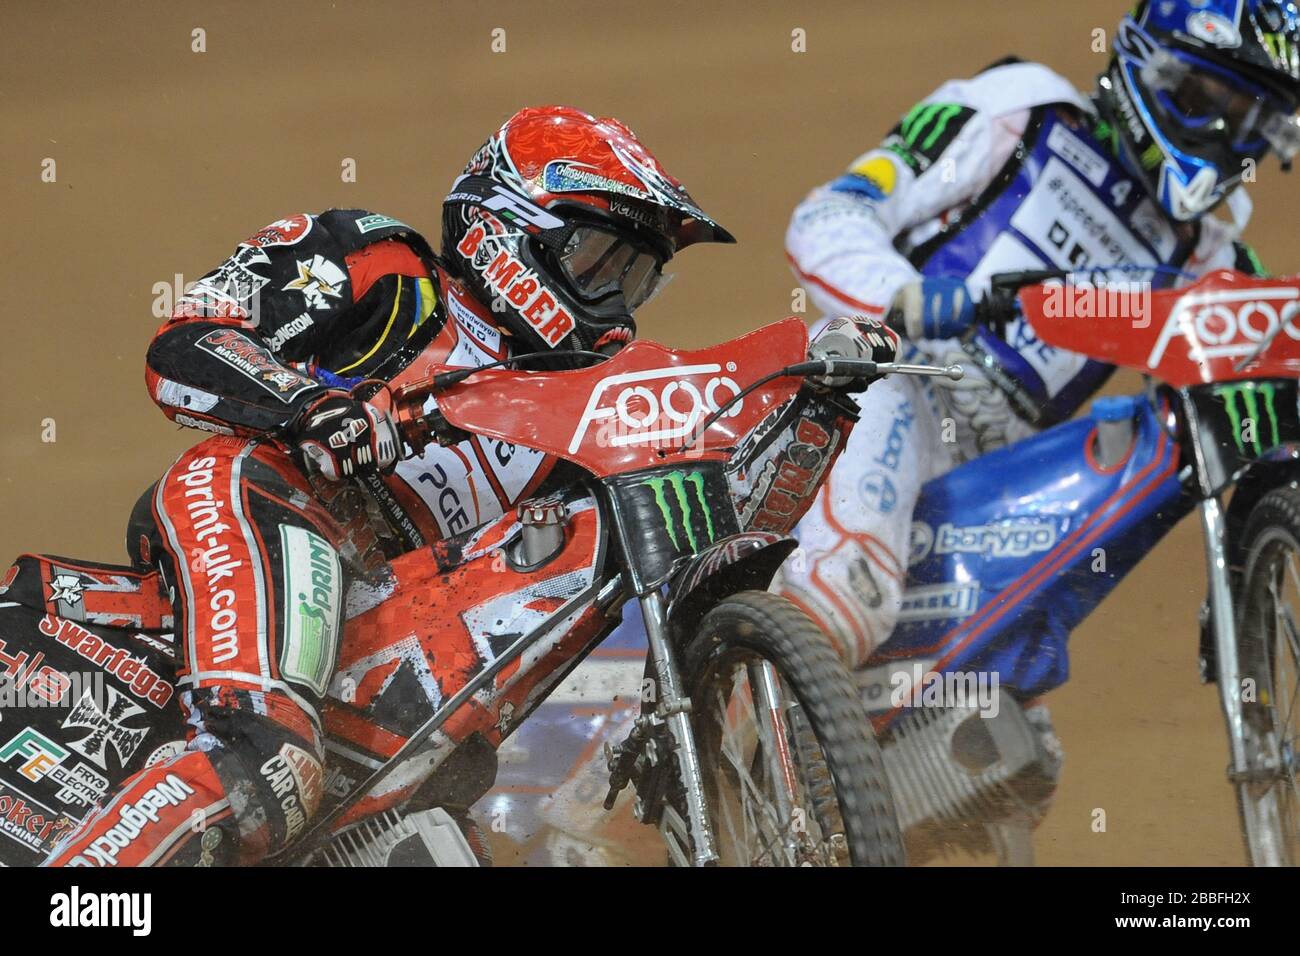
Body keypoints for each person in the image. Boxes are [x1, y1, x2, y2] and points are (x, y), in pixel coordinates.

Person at [45, 105, 898, 867]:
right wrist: (312, 407)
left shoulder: (594, 399)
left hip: (388, 630)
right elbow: (188, 340)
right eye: (598, 257)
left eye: (636, 274)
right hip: (268, 504)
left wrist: (817, 391)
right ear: (511, 227)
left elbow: (703, 519)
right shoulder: (382, 267)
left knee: (447, 849)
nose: (615, 297)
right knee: (268, 761)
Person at [775, 0, 1300, 803]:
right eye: (1209, 100)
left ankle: (797, 820)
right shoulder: (1024, 108)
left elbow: (1242, 384)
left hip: (994, 468)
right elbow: (829, 217)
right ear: (1146, 66)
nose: (1228, 137)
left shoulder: (1207, 256)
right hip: (884, 383)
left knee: (1002, 757)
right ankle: (701, 765)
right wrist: (906, 298)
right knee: (850, 592)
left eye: (1252, 121)